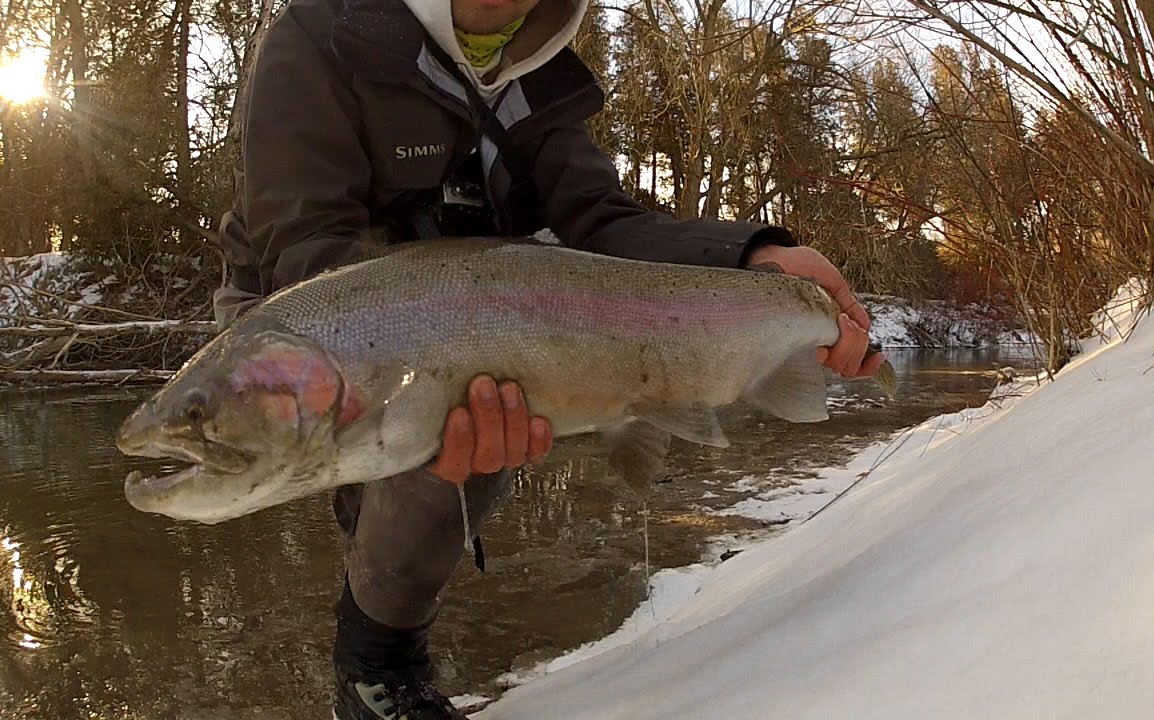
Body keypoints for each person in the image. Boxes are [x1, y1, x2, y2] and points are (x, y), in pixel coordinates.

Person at [214, 0, 885, 716]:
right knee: (419, 446)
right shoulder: (322, 30)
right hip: (291, 318)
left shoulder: (544, 76)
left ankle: (383, 658)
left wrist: (752, 258)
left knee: (480, 434)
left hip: (493, 312)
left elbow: (602, 224)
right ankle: (373, 666)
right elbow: (305, 244)